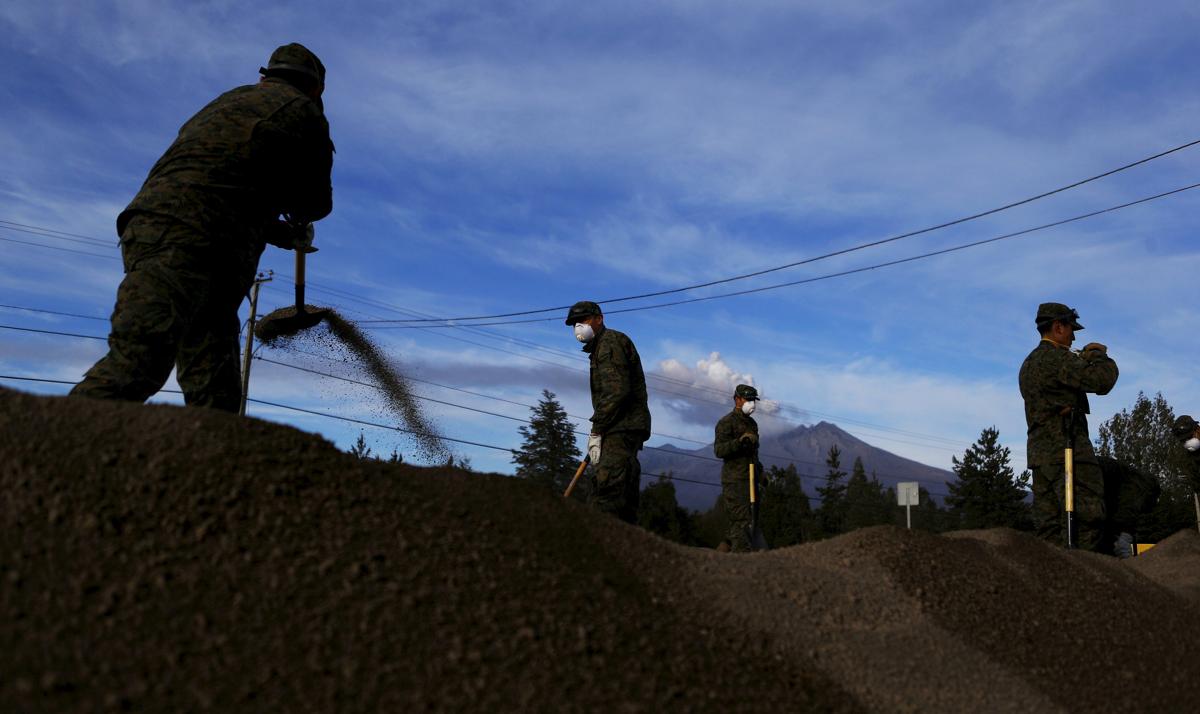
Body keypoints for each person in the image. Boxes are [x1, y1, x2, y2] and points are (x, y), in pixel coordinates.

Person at [71, 43, 334, 412]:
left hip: (170, 232)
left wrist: (281, 232)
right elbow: (315, 203)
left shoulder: (227, 101)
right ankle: (44, 445)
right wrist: (300, 221)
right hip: (192, 242)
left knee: (216, 392)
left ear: (265, 76)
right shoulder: (305, 112)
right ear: (316, 89)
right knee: (139, 362)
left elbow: (222, 190)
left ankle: (215, 451)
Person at [1018, 302, 1118, 552]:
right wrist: (1098, 355)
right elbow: (1102, 381)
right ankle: (1082, 574)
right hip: (1069, 452)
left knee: (1049, 530)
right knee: (1086, 521)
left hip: (1041, 459)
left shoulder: (1028, 364)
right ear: (1058, 327)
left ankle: (1051, 574)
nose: (1074, 337)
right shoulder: (1057, 358)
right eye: (1071, 329)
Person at [564, 301, 651, 523]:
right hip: (622, 427)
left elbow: (616, 391)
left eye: (583, 320)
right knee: (623, 500)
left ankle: (599, 540)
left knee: (606, 496)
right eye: (575, 323)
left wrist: (597, 429)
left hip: (619, 427)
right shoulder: (602, 346)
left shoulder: (608, 343)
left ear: (599, 319)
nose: (578, 327)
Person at [714, 384, 765, 552]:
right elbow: (719, 450)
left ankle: (722, 553)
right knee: (742, 523)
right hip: (735, 481)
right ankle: (740, 558)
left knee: (747, 523)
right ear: (737, 399)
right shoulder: (726, 423)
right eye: (748, 399)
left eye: (753, 400)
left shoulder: (752, 424)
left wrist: (761, 473)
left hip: (751, 480)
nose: (752, 404)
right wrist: (739, 442)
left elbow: (753, 454)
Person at [1172, 414, 1200, 494]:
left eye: (1190, 437)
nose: (1188, 442)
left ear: (1197, 430)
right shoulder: (1191, 460)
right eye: (1184, 441)